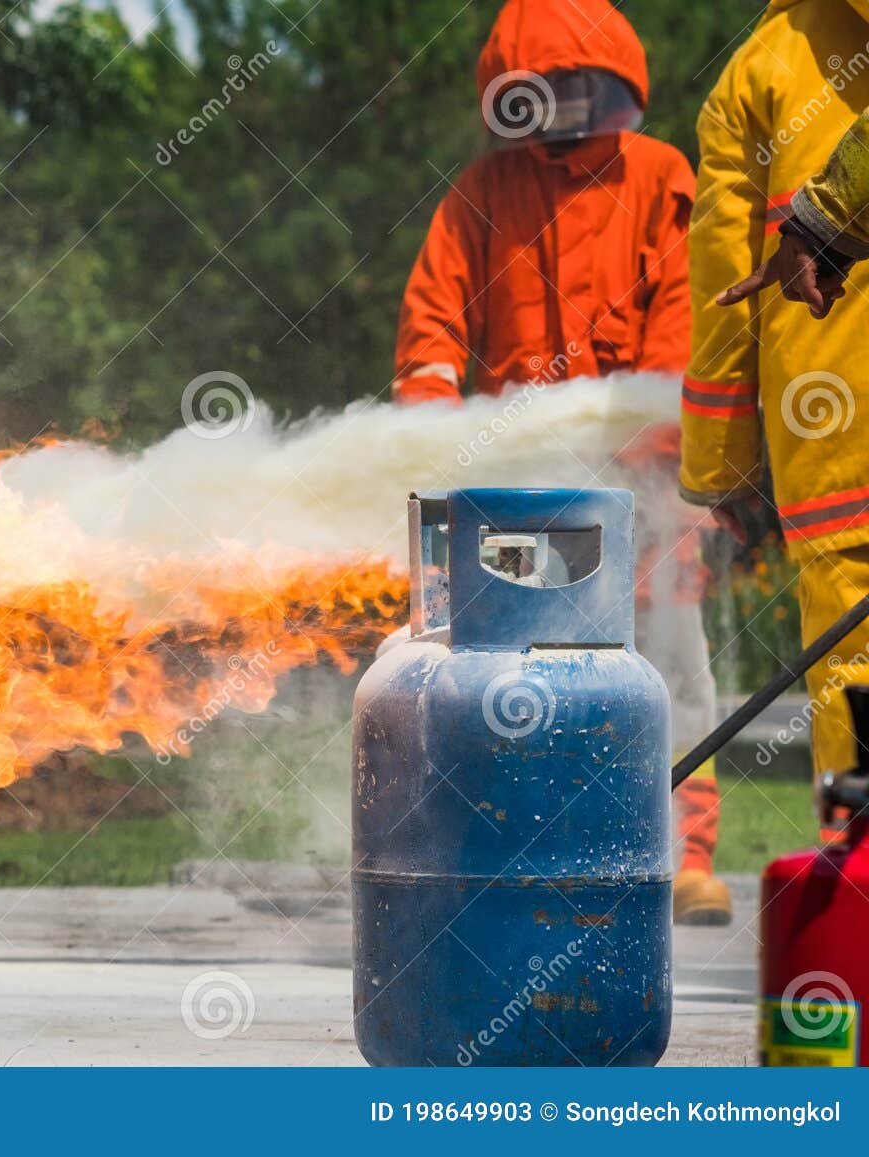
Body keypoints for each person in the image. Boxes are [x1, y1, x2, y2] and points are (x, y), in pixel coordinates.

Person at [393, 0, 729, 922]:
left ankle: (681, 855)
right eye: (543, 92)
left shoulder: (662, 177)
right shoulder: (480, 193)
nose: (567, 110)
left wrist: (643, 457)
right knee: (514, 681)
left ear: (620, 86)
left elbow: (678, 340)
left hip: (645, 493)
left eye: (581, 89)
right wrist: (429, 447)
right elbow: (431, 331)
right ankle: (521, 857)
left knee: (667, 663)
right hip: (512, 499)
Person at [682, 0, 869, 840]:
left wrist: (720, 466)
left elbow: (725, 287)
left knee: (853, 659)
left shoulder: (758, 73)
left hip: (834, 445)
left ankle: (857, 910)